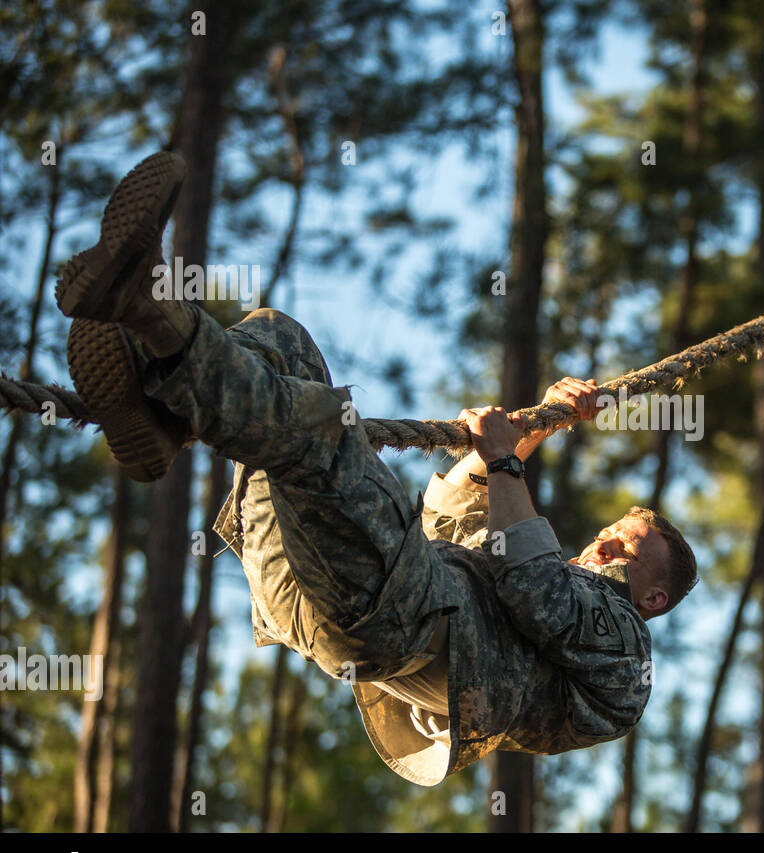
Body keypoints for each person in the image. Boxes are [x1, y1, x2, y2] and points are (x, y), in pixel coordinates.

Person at [58, 151, 697, 786]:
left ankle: (153, 318)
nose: (603, 540)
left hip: (391, 617)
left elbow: (534, 590)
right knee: (284, 342)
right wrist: (539, 427)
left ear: (655, 596)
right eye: (611, 531)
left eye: (626, 547)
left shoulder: (625, 653)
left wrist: (506, 458)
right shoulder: (541, 579)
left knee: (323, 432)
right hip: (319, 586)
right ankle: (158, 405)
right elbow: (446, 517)